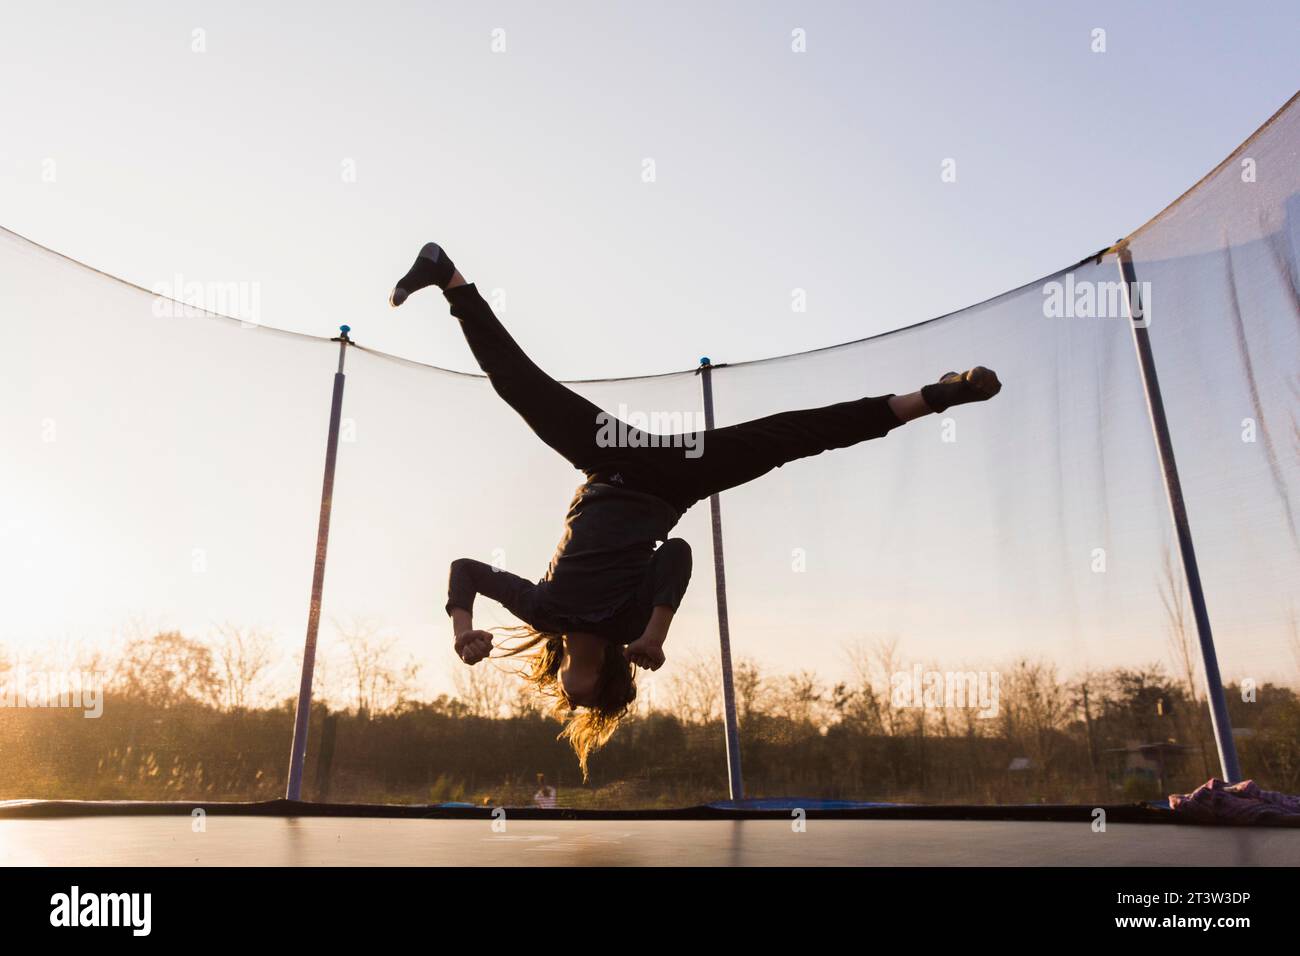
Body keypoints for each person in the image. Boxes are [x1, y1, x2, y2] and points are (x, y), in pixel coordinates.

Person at [390, 242, 1002, 776]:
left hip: (607, 460)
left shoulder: (543, 610)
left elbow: (466, 567)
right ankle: (937, 395)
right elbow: (678, 554)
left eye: (566, 700)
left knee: (520, 386)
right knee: (793, 437)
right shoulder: (628, 626)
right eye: (583, 703)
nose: (568, 697)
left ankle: (449, 278)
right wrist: (656, 634)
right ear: (603, 685)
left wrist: (462, 628)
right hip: (670, 483)